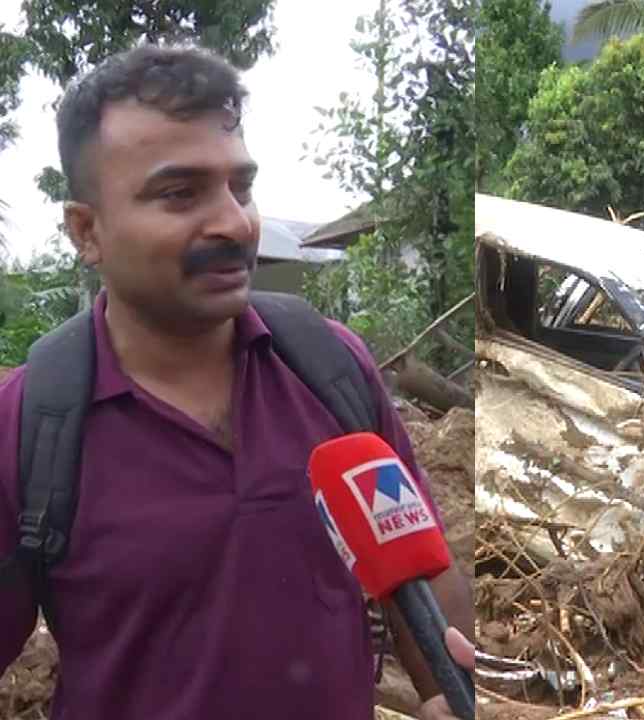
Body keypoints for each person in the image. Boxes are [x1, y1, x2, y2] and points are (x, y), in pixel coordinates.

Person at [0, 45, 473, 719]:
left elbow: (420, 575)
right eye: (179, 193)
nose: (234, 222)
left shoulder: (329, 369)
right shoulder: (30, 426)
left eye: (240, 187)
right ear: (86, 231)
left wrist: (452, 696)